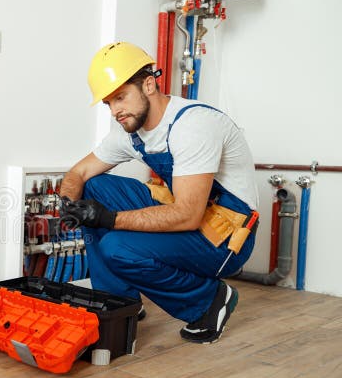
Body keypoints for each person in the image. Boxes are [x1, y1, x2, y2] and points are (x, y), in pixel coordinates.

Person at [60, 42, 258, 344]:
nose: (115, 111)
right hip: (192, 214)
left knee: (117, 247)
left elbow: (188, 215)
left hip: (225, 237)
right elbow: (79, 173)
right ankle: (119, 302)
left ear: (149, 84)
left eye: (121, 97)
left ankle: (208, 300)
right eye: (109, 103)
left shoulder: (192, 126)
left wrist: (108, 218)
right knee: (93, 187)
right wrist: (68, 203)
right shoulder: (131, 128)